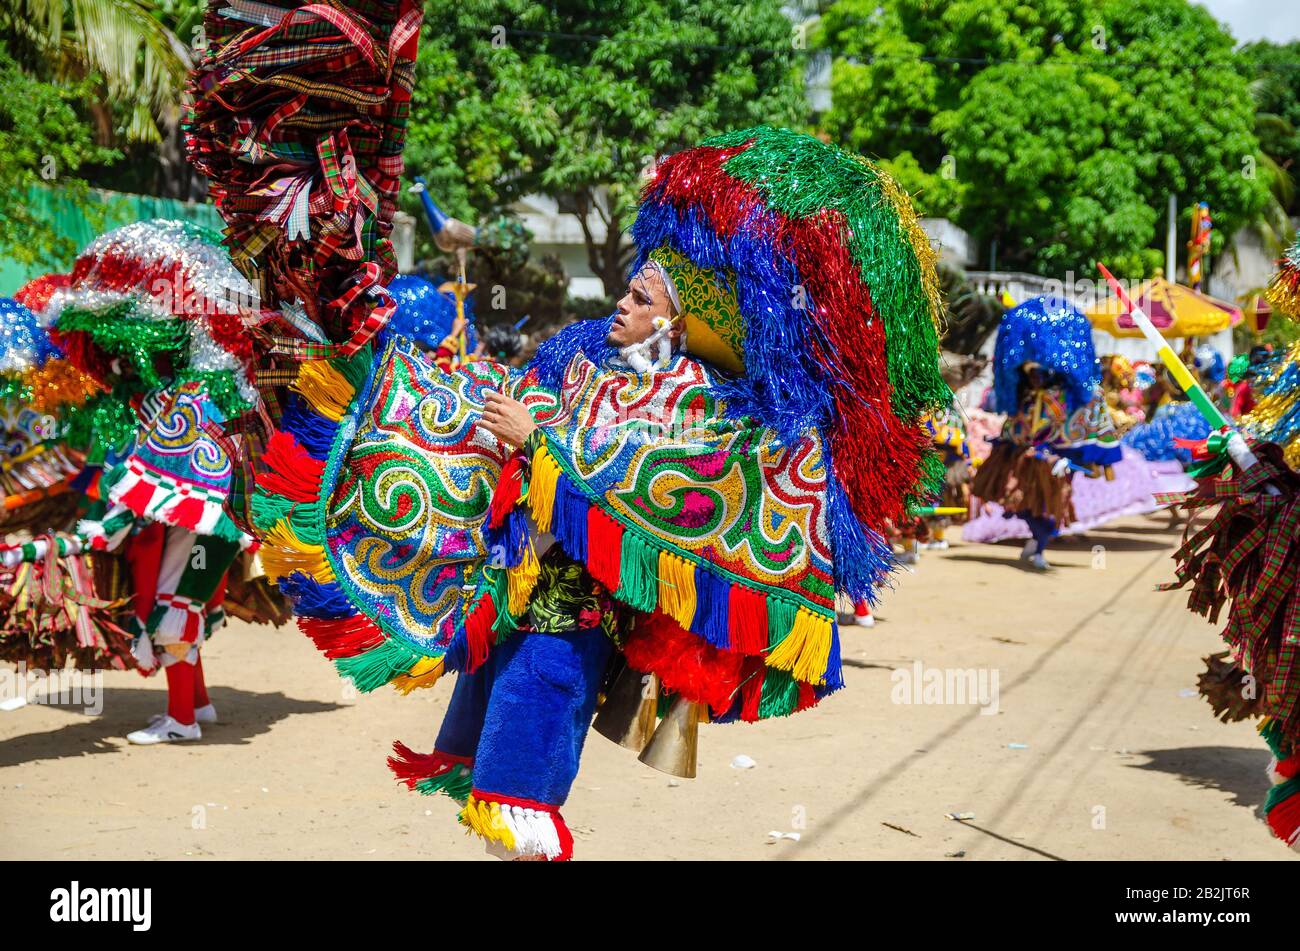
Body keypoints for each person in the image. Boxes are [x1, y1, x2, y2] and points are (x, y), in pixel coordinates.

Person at [251, 126, 951, 859]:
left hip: (570, 625)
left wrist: (536, 444)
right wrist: (367, 363)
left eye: (640, 294)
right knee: (499, 800)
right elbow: (508, 413)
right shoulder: (590, 361)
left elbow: (628, 490)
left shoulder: (698, 405)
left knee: (522, 805)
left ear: (681, 316)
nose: (620, 301)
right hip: (513, 602)